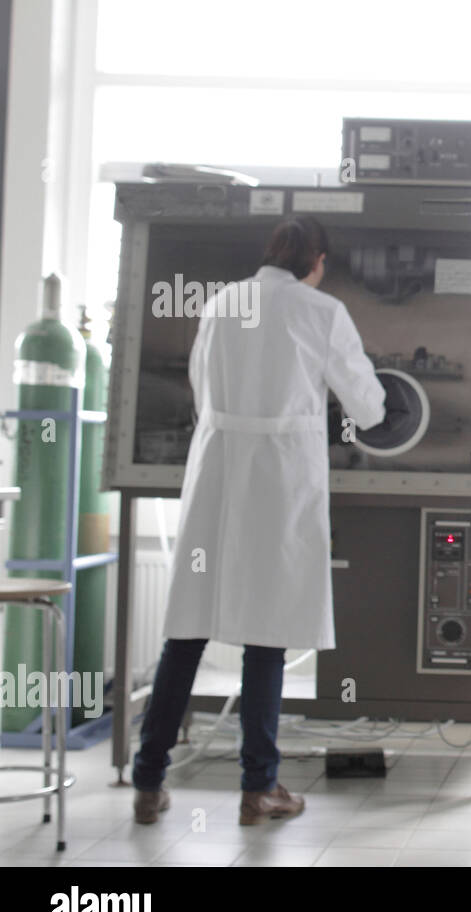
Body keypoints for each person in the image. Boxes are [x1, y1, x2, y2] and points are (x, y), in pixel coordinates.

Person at [133, 216, 387, 826]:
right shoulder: (320, 311)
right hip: (278, 478)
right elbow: (369, 407)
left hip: (217, 469)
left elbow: (200, 386)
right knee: (266, 635)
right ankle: (259, 788)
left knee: (187, 631)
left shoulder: (223, 303)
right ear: (317, 261)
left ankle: (147, 782)